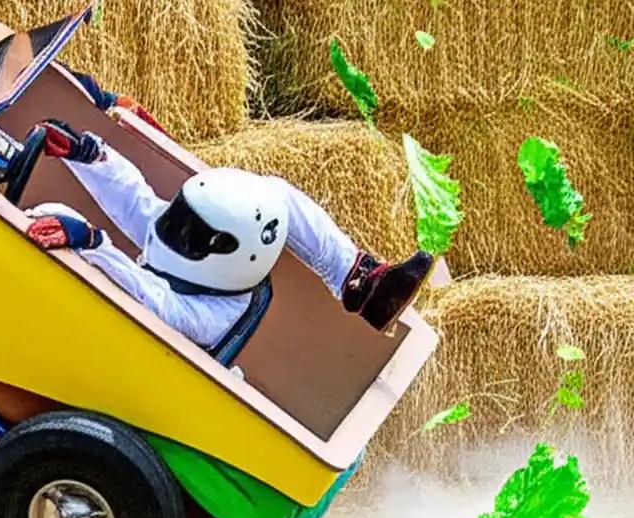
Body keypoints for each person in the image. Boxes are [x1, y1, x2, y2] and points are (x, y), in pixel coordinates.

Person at [22, 119, 433, 352]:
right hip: (166, 290)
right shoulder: (201, 253)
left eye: (188, 228)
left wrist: (94, 244)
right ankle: (359, 280)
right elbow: (143, 208)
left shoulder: (209, 317)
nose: (175, 226)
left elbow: (151, 298)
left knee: (50, 216)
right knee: (274, 195)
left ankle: (357, 281)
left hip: (137, 361)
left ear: (224, 252)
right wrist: (91, 155)